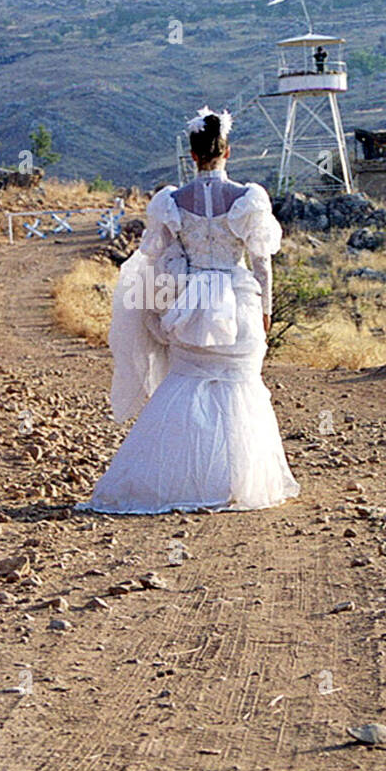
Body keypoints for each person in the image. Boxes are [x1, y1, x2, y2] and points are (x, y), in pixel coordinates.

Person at [77, 109, 299, 514]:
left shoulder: (171, 202)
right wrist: (266, 310)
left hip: (190, 305)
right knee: (239, 387)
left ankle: (175, 483)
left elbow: (155, 258)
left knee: (186, 385)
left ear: (192, 156)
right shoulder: (248, 199)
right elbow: (262, 262)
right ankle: (236, 482)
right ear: (228, 151)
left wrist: (160, 309)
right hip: (238, 303)